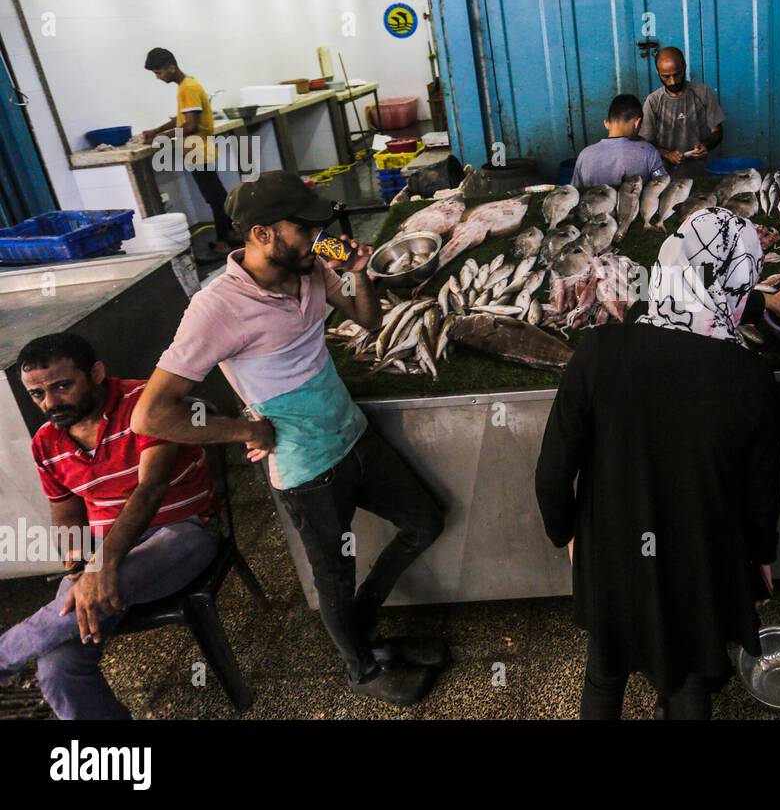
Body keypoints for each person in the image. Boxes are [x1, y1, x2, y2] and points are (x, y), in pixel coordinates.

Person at [131, 171, 447, 707]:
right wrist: (243, 430)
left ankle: (364, 622)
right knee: (332, 574)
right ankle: (362, 669)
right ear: (261, 234)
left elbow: (368, 321)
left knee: (424, 520)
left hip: (353, 435)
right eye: (304, 227)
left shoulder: (309, 265)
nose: (319, 236)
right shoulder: (215, 309)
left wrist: (357, 273)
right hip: (305, 469)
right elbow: (151, 415)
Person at [535, 208, 780, 720]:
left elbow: (555, 467)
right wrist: (758, 557)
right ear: (742, 280)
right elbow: (762, 492)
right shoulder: (752, 377)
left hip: (611, 556)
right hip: (702, 562)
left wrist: (570, 533)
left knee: (604, 673)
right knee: (687, 679)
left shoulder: (601, 350)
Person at [0, 334, 218, 720]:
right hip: (104, 554)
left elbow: (151, 489)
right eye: (37, 394)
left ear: (96, 373)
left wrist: (103, 567)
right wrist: (79, 567)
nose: (50, 403)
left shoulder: (146, 404)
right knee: (58, 667)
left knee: (64, 613)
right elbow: (66, 514)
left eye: (62, 386)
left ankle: (4, 656)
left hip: (181, 534)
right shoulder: (46, 443)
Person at [140, 47, 234, 256]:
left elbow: (190, 126)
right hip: (198, 148)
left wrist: (161, 138)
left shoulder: (187, 89)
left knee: (214, 197)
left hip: (196, 149)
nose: (157, 77)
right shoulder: (187, 84)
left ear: (171, 67)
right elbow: (181, 119)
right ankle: (230, 233)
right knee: (218, 194)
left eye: (159, 72)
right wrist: (156, 130)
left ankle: (222, 241)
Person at [639, 46, 724, 178]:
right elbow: (644, 143)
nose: (672, 81)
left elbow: (717, 132)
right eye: (666, 76)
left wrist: (706, 145)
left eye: (676, 74)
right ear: (658, 72)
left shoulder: (703, 92)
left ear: (684, 67)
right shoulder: (653, 101)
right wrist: (667, 154)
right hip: (665, 177)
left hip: (700, 174)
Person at [571, 94, 667, 188]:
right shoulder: (648, 151)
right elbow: (662, 185)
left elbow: (574, 193)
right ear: (637, 123)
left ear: (606, 123)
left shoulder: (585, 155)